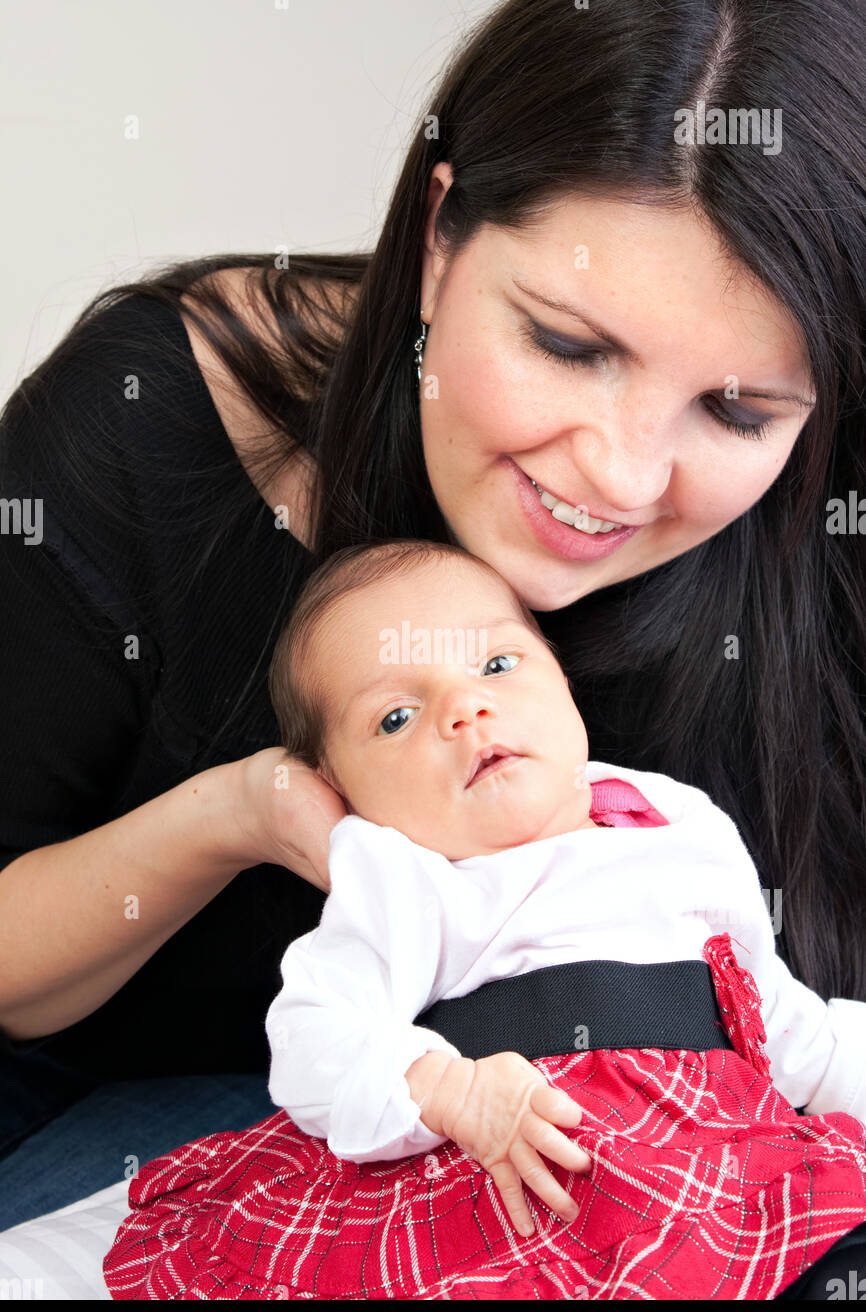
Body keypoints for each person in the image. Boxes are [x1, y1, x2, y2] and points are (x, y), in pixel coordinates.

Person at [2, 0, 866, 1236]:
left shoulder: (818, 521)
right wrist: (234, 816)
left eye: (735, 413)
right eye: (567, 345)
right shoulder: (147, 432)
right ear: (436, 240)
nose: (620, 478)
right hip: (128, 1112)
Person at [102, 540, 866, 1301]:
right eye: (396, 717)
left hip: (708, 1162)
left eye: (497, 666)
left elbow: (768, 1016)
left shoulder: (679, 822)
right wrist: (449, 1091)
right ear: (340, 787)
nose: (465, 709)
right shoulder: (405, 876)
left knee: (825, 1235)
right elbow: (315, 1038)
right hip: (520, 1185)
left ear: (562, 678)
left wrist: (843, 1063)